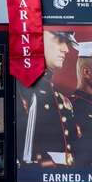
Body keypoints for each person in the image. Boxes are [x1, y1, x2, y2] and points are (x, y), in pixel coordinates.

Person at [17, 29, 78, 166]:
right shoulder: (19, 88)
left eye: (67, 42)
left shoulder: (61, 99)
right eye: (59, 40)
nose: (66, 49)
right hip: (34, 178)